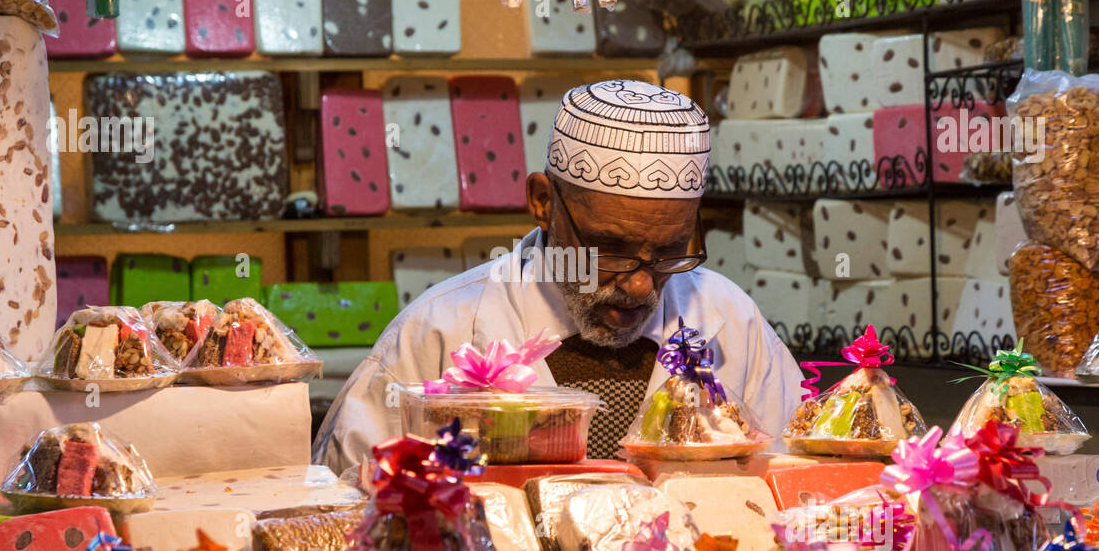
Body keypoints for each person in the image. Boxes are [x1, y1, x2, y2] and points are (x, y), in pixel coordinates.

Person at [313, 79, 806, 473]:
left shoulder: (730, 319)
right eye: (608, 249)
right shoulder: (438, 331)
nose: (639, 285)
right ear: (543, 202)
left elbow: (793, 482)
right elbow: (347, 510)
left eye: (669, 252)